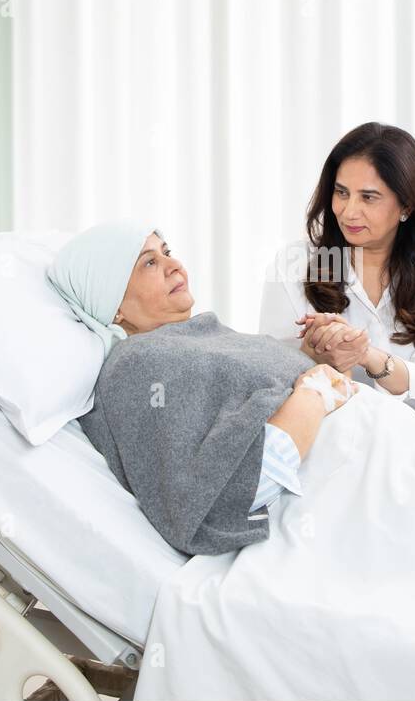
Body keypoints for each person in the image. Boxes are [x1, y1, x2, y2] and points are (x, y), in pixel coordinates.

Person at [48, 220, 356, 555]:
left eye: (167, 253)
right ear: (113, 304)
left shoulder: (196, 341)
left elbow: (274, 399)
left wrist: (319, 359)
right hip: (355, 494)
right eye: (149, 262)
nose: (174, 265)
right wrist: (315, 395)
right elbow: (226, 495)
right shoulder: (136, 365)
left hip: (378, 456)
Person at [258, 122, 415, 450]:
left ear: (406, 206)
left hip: (402, 442)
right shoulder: (296, 264)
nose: (348, 211)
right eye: (341, 192)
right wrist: (315, 352)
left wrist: (369, 357)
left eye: (368, 197)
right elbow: (267, 376)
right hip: (321, 440)